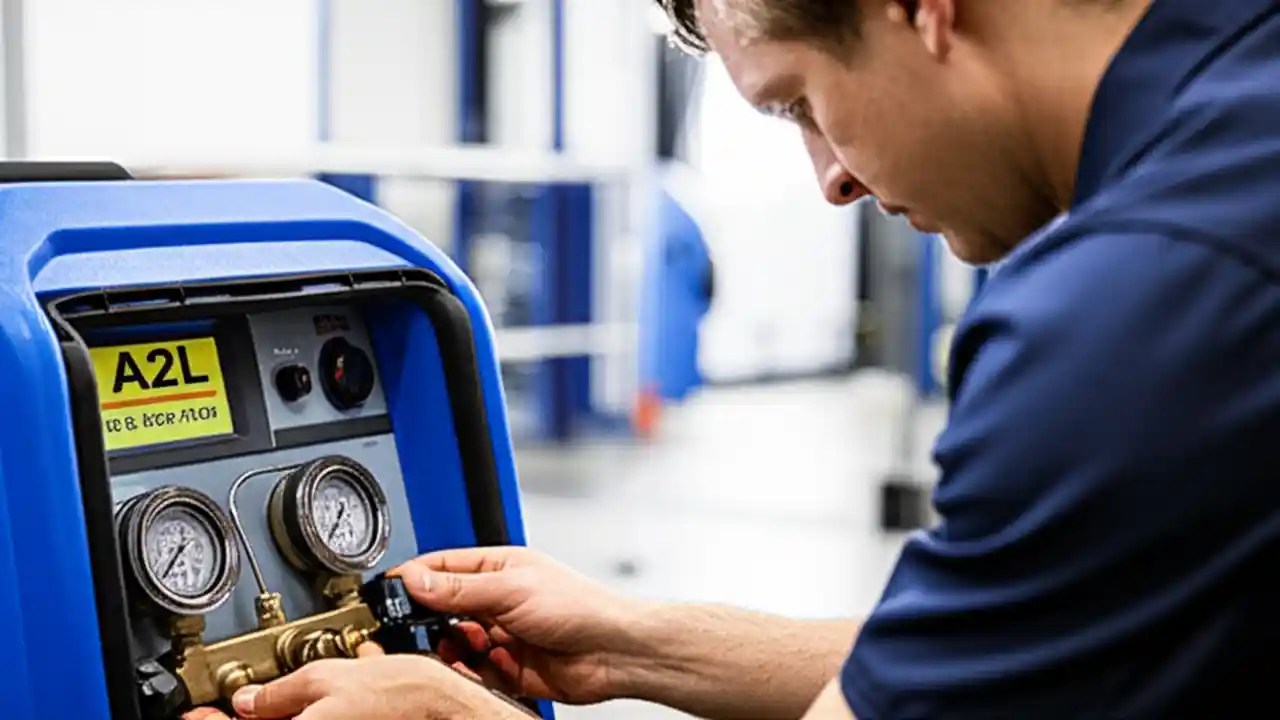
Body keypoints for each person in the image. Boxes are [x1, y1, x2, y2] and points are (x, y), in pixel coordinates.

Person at [192, 0, 1280, 717]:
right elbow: (1032, 653)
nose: (829, 179)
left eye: (801, 102)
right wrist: (635, 644)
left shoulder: (1136, 304)